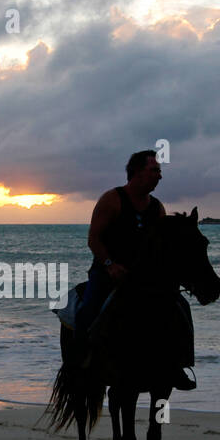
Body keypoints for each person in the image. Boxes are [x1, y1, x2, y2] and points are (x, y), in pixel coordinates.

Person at [77, 149, 196, 391]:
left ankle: (179, 364)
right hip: (108, 273)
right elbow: (94, 239)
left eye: (159, 171)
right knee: (88, 309)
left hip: (143, 278)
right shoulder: (112, 199)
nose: (159, 176)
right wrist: (110, 265)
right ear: (137, 173)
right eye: (154, 171)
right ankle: (81, 362)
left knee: (181, 307)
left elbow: (163, 247)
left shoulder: (157, 208)